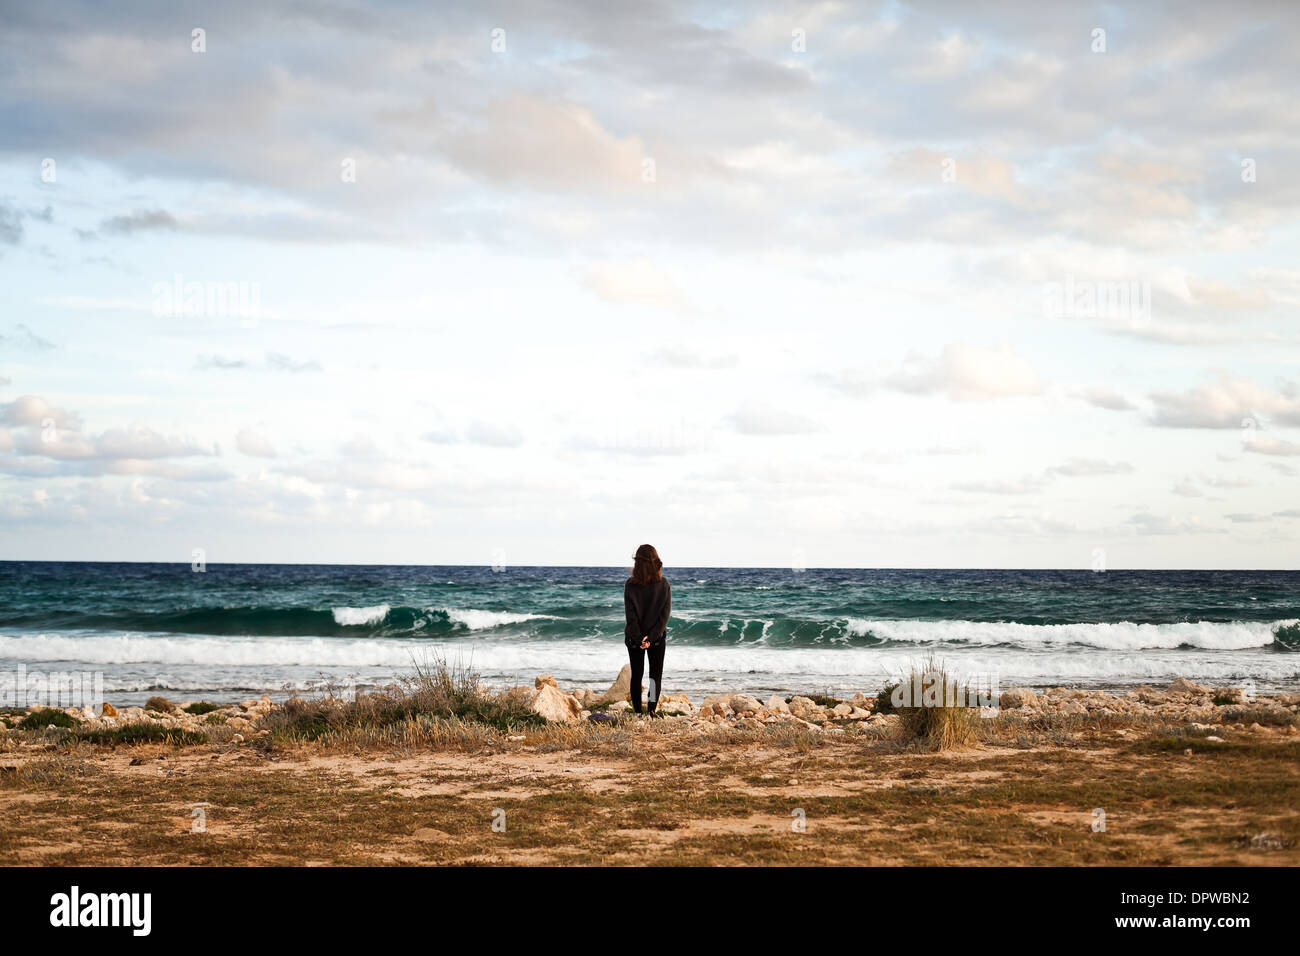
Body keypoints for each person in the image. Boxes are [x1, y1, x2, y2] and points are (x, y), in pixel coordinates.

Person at [623, 543, 671, 715]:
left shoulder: (630, 585)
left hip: (634, 640)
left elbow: (631, 617)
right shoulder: (664, 584)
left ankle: (637, 713)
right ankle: (651, 711)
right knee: (654, 677)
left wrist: (639, 639)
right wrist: (650, 638)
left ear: (637, 562)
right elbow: (664, 617)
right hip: (656, 639)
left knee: (636, 675)